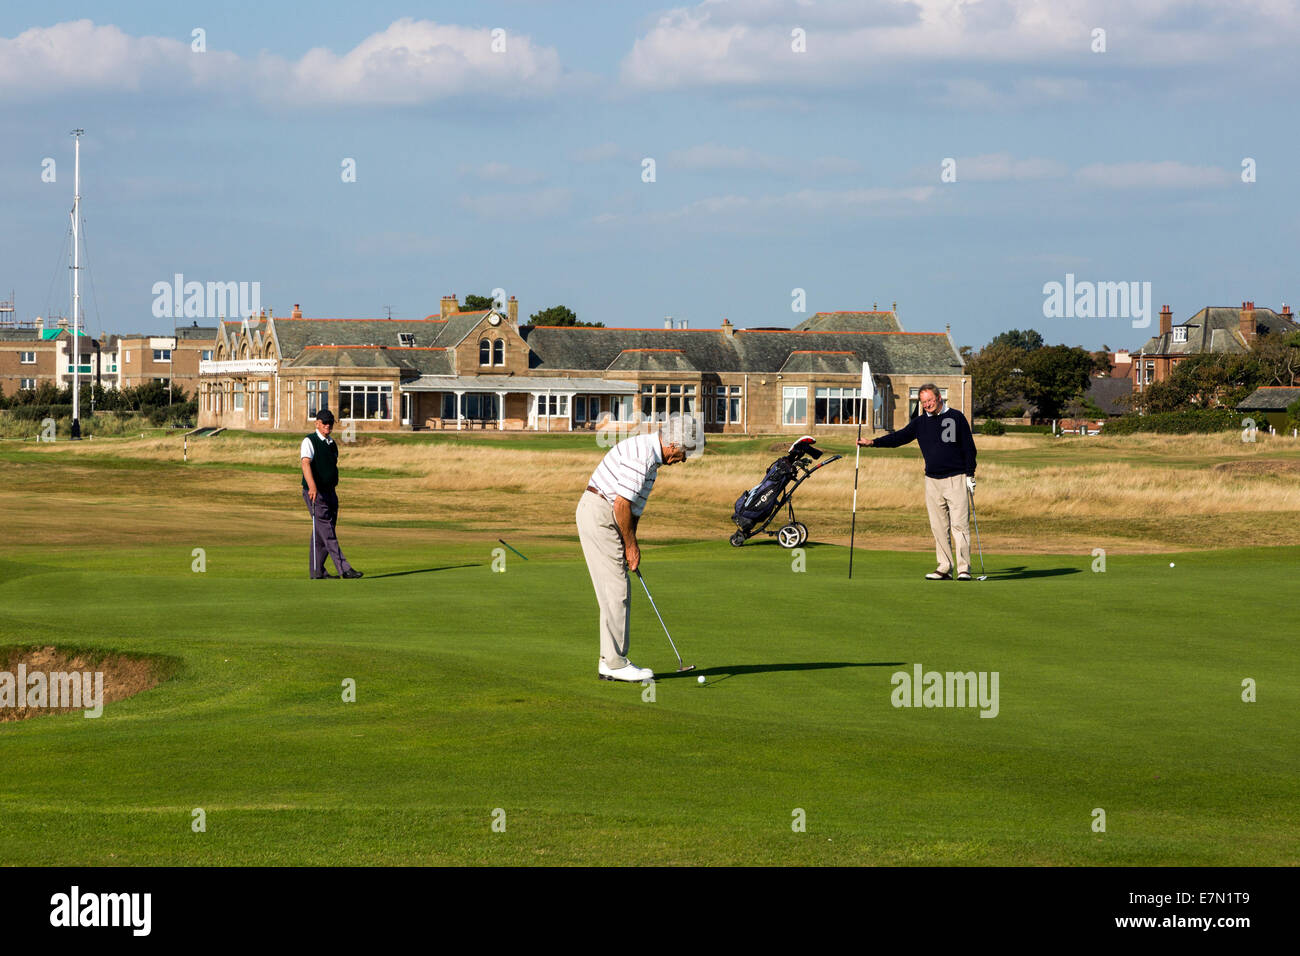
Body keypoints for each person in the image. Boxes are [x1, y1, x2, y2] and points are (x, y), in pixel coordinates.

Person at [577, 415, 700, 682]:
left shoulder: (652, 462)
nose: (684, 458)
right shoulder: (643, 456)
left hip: (607, 515)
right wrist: (631, 546)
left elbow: (632, 510)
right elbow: (621, 504)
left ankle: (608, 659)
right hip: (600, 514)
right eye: (684, 452)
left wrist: (631, 541)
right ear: (673, 444)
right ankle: (615, 663)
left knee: (614, 590)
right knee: (616, 590)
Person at [858, 383, 977, 580]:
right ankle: (945, 566)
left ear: (939, 398)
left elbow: (969, 448)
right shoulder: (920, 422)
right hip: (932, 480)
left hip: (956, 478)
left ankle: (964, 569)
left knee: (959, 525)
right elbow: (899, 437)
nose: (927, 404)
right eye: (923, 402)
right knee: (938, 526)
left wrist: (970, 475)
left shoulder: (956, 417)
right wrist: (873, 442)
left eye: (930, 400)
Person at [300, 409, 362, 580]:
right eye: (324, 422)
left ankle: (317, 571)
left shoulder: (331, 443)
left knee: (322, 533)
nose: (327, 426)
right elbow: (305, 464)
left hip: (330, 492)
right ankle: (344, 568)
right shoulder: (309, 440)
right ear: (317, 423)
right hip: (315, 493)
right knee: (327, 532)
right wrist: (312, 487)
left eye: (330, 423)